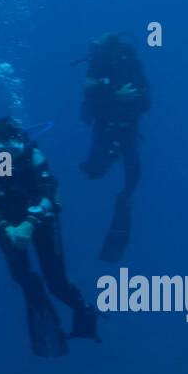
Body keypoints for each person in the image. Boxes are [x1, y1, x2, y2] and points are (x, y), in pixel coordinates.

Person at [0, 117, 100, 356]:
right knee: (24, 278)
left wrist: (29, 223)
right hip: (5, 225)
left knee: (57, 283)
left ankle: (85, 311)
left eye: (11, 142)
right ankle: (41, 308)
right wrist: (5, 227)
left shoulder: (32, 156)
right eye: (0, 143)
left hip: (41, 222)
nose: (6, 150)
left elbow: (48, 193)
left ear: (20, 139)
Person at [77, 32, 150, 261]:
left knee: (130, 163)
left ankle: (125, 197)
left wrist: (125, 99)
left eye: (96, 48)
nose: (93, 53)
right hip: (106, 124)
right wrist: (114, 93)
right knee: (96, 171)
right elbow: (88, 92)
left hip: (126, 125)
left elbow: (146, 100)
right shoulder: (97, 65)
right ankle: (110, 164)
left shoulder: (128, 63)